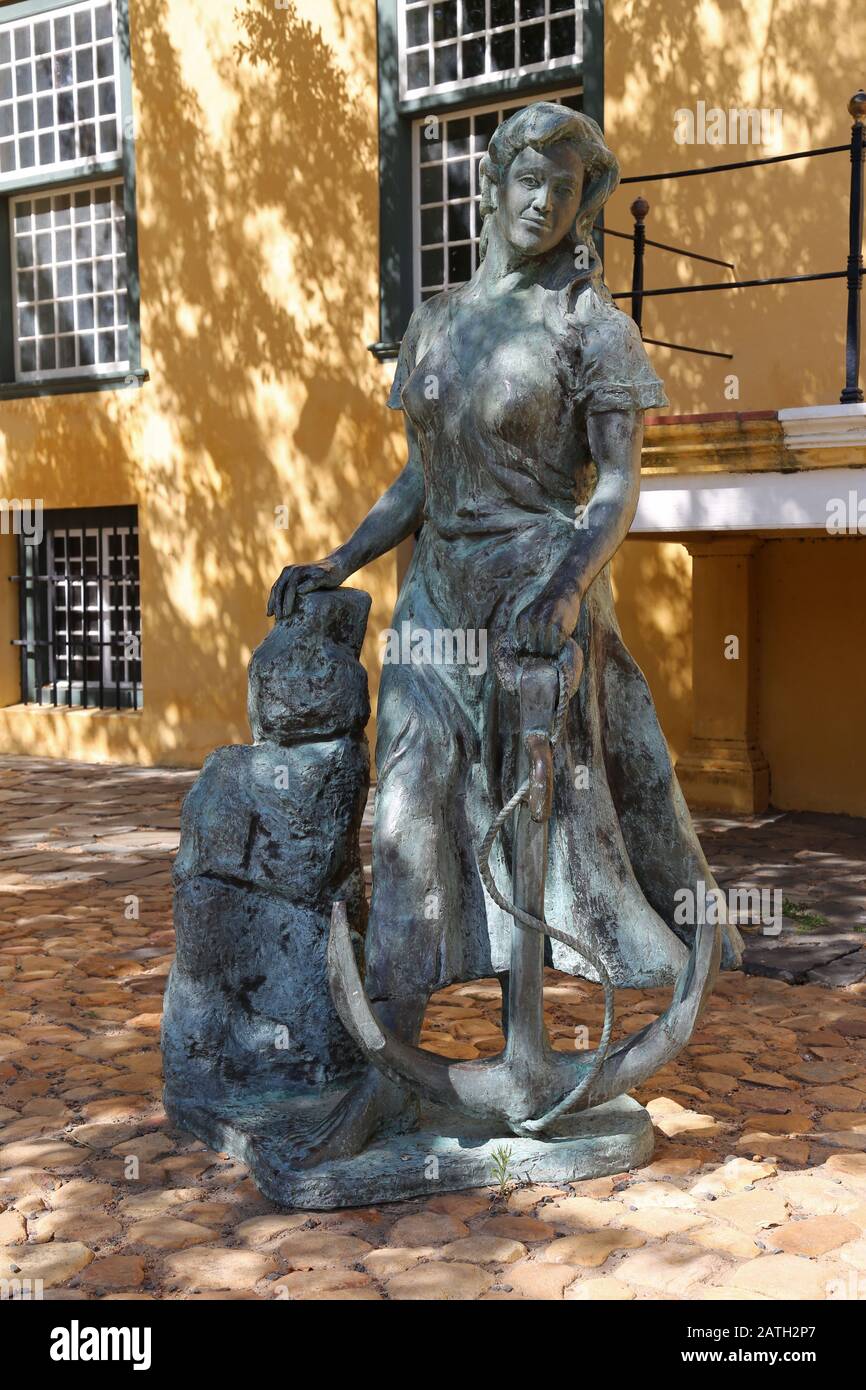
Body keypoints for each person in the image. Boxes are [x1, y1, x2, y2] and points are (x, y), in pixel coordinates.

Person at [269, 103, 742, 1160]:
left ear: (581, 202)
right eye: (525, 178)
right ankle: (389, 1067)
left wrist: (571, 585)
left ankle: (533, 1053)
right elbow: (417, 480)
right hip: (436, 608)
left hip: (536, 608)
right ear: (491, 182)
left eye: (562, 188)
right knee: (409, 814)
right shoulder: (434, 324)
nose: (540, 202)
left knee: (539, 832)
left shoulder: (590, 325)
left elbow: (616, 485)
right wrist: (342, 558)